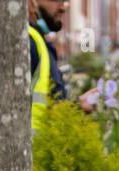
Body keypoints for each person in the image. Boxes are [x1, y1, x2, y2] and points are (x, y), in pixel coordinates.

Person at [29, 0, 69, 133]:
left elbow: (51, 107)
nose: (63, 7)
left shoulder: (39, 40)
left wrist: (79, 106)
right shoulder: (28, 44)